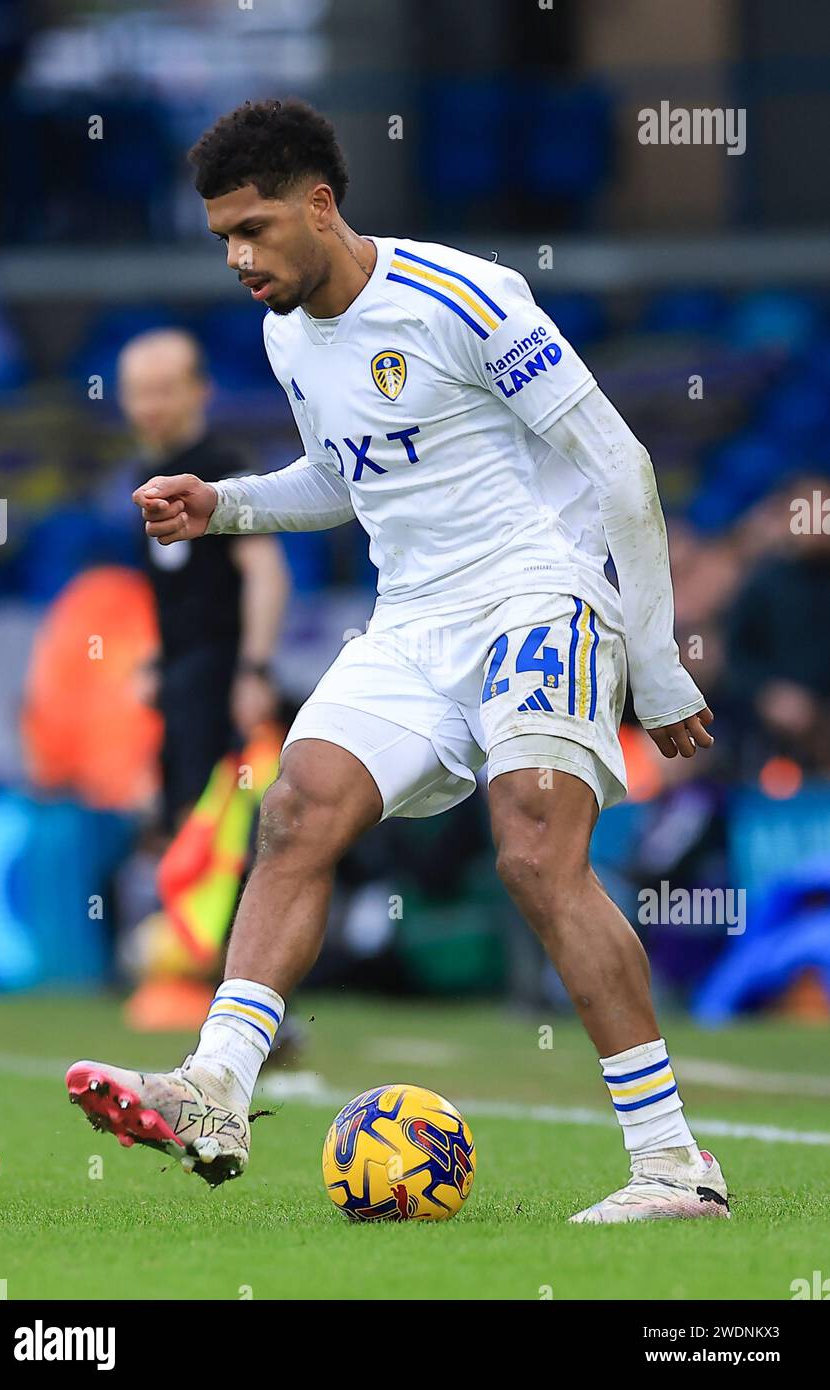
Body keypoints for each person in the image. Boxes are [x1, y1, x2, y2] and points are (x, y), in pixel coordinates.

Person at [67, 99, 728, 1224]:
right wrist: (223, 504)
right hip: (413, 618)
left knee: (531, 846)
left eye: (255, 228)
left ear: (320, 206)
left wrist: (654, 666)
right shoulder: (285, 334)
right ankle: (215, 1086)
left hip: (538, 590)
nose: (237, 256)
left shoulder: (462, 299)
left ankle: (674, 1167)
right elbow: (347, 477)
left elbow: (619, 465)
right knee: (295, 808)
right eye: (222, 235)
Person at [117, 328, 289, 828]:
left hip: (220, 675)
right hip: (179, 676)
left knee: (215, 827)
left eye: (164, 389)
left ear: (200, 391)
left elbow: (267, 574)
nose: (150, 405)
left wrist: (253, 670)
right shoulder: (144, 476)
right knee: (176, 818)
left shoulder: (222, 471)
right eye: (139, 392)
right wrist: (156, 659)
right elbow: (174, 591)